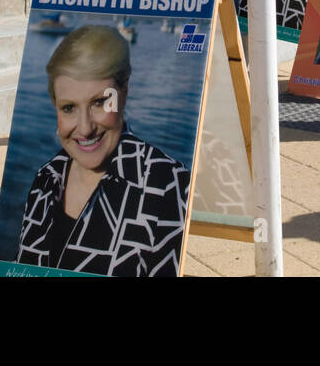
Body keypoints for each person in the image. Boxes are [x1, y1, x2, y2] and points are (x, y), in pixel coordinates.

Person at [16, 25, 190, 276]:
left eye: (99, 102)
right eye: (68, 108)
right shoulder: (46, 177)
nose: (85, 129)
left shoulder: (167, 183)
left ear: (124, 93)